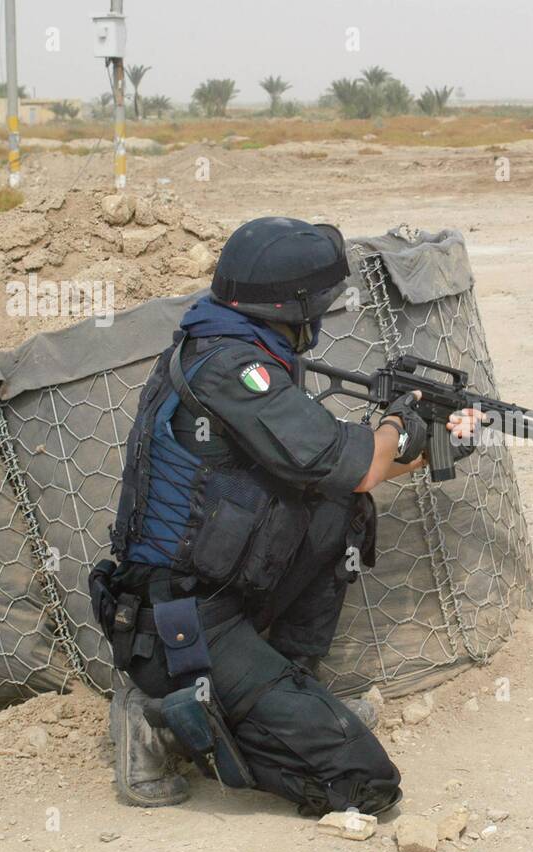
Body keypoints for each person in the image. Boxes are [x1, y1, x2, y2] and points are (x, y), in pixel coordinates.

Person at [95, 216, 482, 816]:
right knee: (364, 783)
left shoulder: (228, 342)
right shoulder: (235, 370)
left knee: (340, 508)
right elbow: (355, 458)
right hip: (182, 626)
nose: (321, 321)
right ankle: (157, 721)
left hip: (218, 596)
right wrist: (401, 425)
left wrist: (432, 441)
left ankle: (290, 688)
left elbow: (348, 473)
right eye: (317, 307)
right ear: (291, 307)